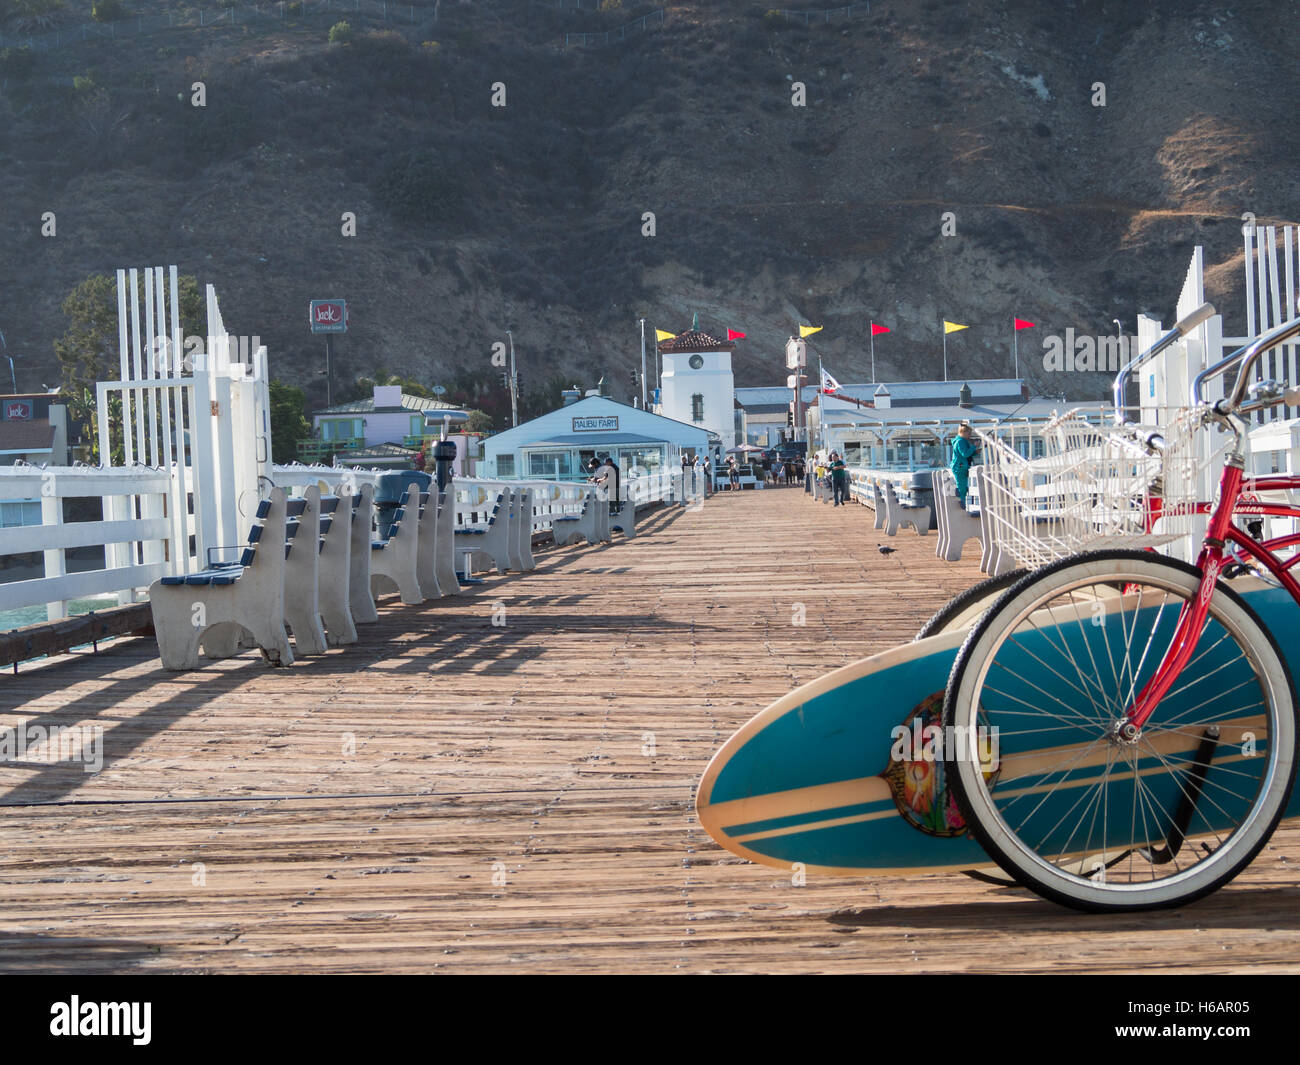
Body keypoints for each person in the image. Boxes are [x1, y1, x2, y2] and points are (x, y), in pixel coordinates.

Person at [950, 422, 980, 509]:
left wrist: (974, 452)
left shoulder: (960, 441)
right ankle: (961, 508)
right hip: (960, 467)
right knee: (962, 489)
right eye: (969, 433)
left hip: (959, 467)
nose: (970, 435)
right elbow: (965, 454)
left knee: (962, 488)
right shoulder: (960, 442)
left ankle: (962, 507)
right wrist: (974, 447)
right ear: (963, 432)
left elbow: (964, 454)